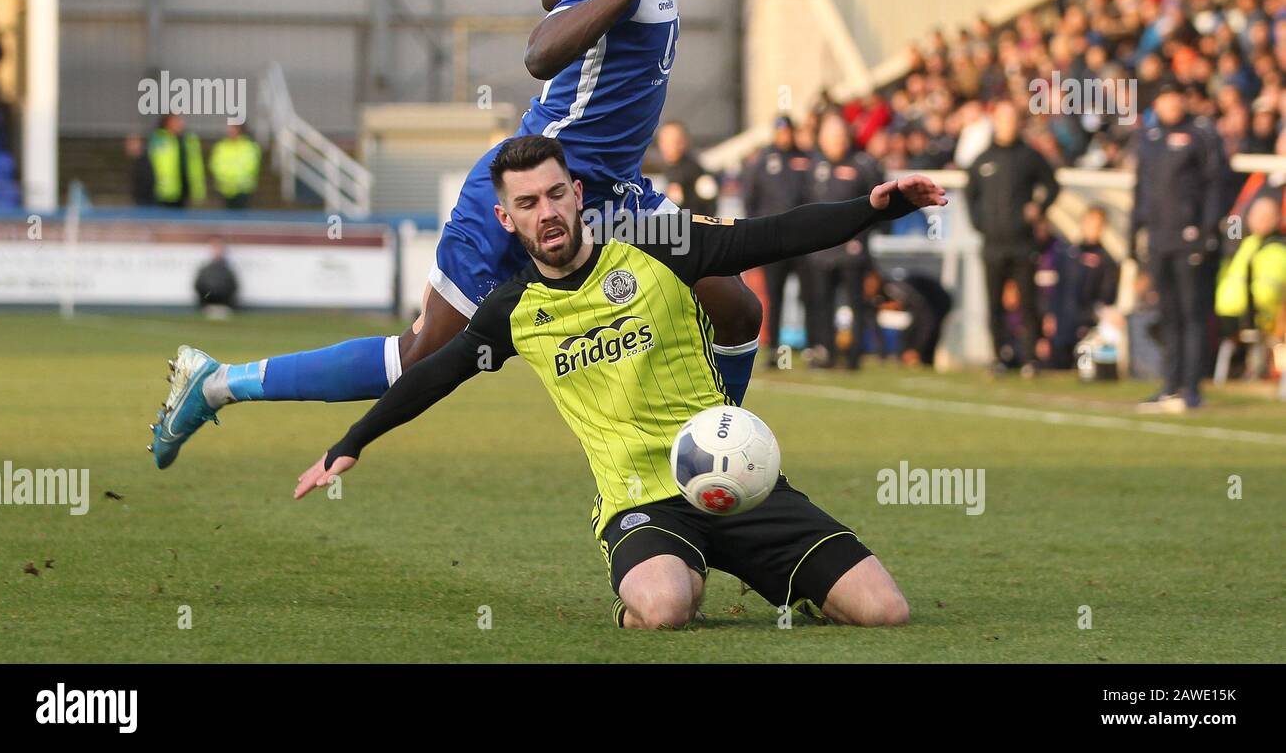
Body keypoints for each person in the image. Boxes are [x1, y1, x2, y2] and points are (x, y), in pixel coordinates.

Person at [149, 0, 764, 468]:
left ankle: (719, 469)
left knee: (736, 307)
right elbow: (540, 49)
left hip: (614, 194)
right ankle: (219, 383)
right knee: (418, 358)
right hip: (537, 186)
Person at [294, 135, 947, 628]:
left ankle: (786, 582)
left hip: (745, 483)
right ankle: (666, 583)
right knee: (665, 609)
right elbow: (433, 376)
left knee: (885, 610)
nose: (546, 212)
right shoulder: (512, 311)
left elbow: (766, 236)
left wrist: (872, 208)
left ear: (577, 195)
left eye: (555, 194)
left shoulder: (656, 243)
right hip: (642, 501)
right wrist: (353, 440)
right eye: (526, 203)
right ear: (506, 220)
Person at [1131, 83, 1226, 411]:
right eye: (1164, 97)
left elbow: (1215, 185)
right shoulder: (1149, 137)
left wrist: (1206, 231)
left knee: (1192, 314)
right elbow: (1140, 188)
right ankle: (1170, 384)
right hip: (1160, 239)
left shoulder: (1200, 134)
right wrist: (1135, 233)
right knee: (1168, 314)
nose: (1170, 103)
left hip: (1189, 241)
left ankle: (1192, 388)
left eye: (1175, 96)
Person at [965, 100, 1060, 375]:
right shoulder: (982, 159)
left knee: (1027, 302)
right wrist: (979, 224)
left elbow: (1053, 185)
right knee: (994, 304)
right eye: (1002, 120)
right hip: (993, 244)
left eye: (1011, 120)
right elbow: (970, 196)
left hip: (1022, 243)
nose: (1007, 125)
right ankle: (999, 356)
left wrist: (1038, 208)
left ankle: (1030, 358)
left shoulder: (1029, 156)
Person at [802, 113, 883, 369]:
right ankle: (825, 351)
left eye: (839, 136)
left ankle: (854, 355)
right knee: (821, 303)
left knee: (855, 303)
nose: (835, 142)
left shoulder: (863, 164)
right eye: (830, 137)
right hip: (821, 249)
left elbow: (878, 205)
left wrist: (861, 237)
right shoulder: (815, 167)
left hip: (852, 249)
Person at [742, 114, 812, 362]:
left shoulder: (806, 158)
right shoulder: (762, 161)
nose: (784, 136)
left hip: (804, 240)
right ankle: (774, 349)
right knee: (774, 295)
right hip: (775, 240)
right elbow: (750, 201)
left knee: (809, 293)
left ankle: (813, 347)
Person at [1051, 205, 1120, 368]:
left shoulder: (1107, 261)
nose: (1093, 229)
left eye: (1098, 225)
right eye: (1090, 223)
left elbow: (1107, 297)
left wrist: (1092, 317)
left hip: (1089, 324)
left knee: (1086, 362)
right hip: (1064, 322)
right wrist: (1050, 314)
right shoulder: (1068, 254)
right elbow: (1059, 290)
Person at [1214, 195, 1286, 344]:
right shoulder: (1244, 243)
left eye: (1266, 216)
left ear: (1277, 219)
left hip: (1260, 318)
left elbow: (1270, 293)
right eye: (1256, 215)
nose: (1260, 220)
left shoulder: (1278, 249)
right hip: (1230, 315)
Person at [655, 120, 717, 217]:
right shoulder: (669, 170)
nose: (668, 146)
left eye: (675, 141)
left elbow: (709, 211)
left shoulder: (696, 173)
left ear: (685, 142)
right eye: (664, 141)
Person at [148, 112, 206, 208]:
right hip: (162, 191)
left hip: (183, 189)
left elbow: (196, 166)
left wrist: (198, 190)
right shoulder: (159, 139)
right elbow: (151, 163)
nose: (180, 123)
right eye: (176, 121)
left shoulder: (189, 139)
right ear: (167, 122)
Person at [209, 124, 262, 210]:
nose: (231, 131)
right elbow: (215, 164)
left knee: (241, 218)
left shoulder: (249, 147)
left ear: (240, 130)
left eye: (233, 129)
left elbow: (251, 166)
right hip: (224, 189)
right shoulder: (221, 147)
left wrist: (236, 180)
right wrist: (225, 179)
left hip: (243, 190)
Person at [194, 240, 240, 314]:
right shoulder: (205, 269)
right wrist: (206, 300)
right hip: (207, 307)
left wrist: (226, 302)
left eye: (220, 249)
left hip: (225, 307)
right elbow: (199, 286)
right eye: (215, 248)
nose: (217, 251)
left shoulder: (227, 270)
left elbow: (233, 287)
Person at [125, 133, 155, 206]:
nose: (127, 147)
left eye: (131, 144)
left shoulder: (145, 162)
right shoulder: (138, 161)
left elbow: (148, 182)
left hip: (147, 202)